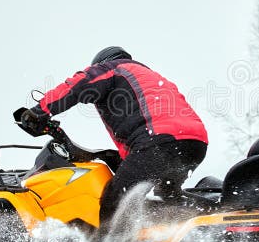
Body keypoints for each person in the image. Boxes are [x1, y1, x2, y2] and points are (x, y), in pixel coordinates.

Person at [19, 46, 208, 229]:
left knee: (116, 199)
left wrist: (40, 111)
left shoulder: (114, 69)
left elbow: (78, 85)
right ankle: (216, 211)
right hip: (194, 144)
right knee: (167, 196)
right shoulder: (151, 78)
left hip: (158, 142)